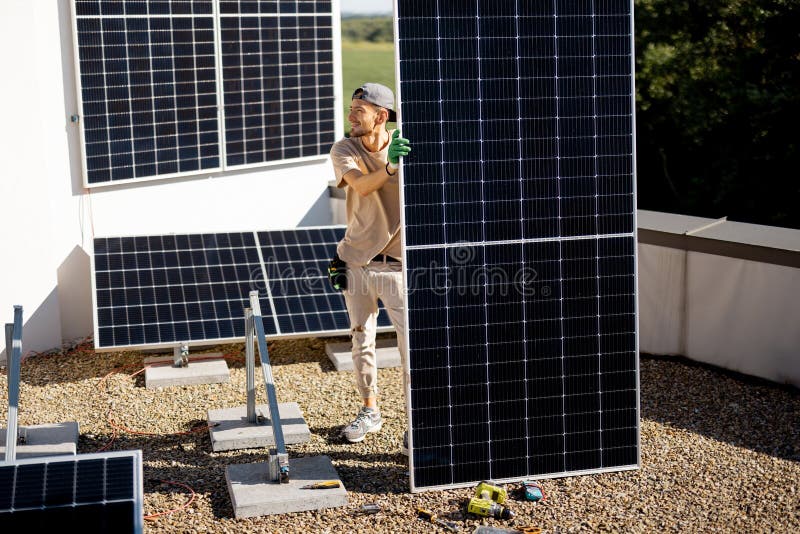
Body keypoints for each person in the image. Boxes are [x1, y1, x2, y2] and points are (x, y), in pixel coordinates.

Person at [328, 82, 412, 450]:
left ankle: (418, 421)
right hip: (356, 261)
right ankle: (370, 410)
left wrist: (397, 160)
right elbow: (362, 187)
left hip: (397, 265)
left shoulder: (405, 147)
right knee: (361, 338)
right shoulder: (344, 148)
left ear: (381, 116)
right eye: (351, 108)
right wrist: (391, 166)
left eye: (358, 110)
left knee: (412, 346)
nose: (350, 116)